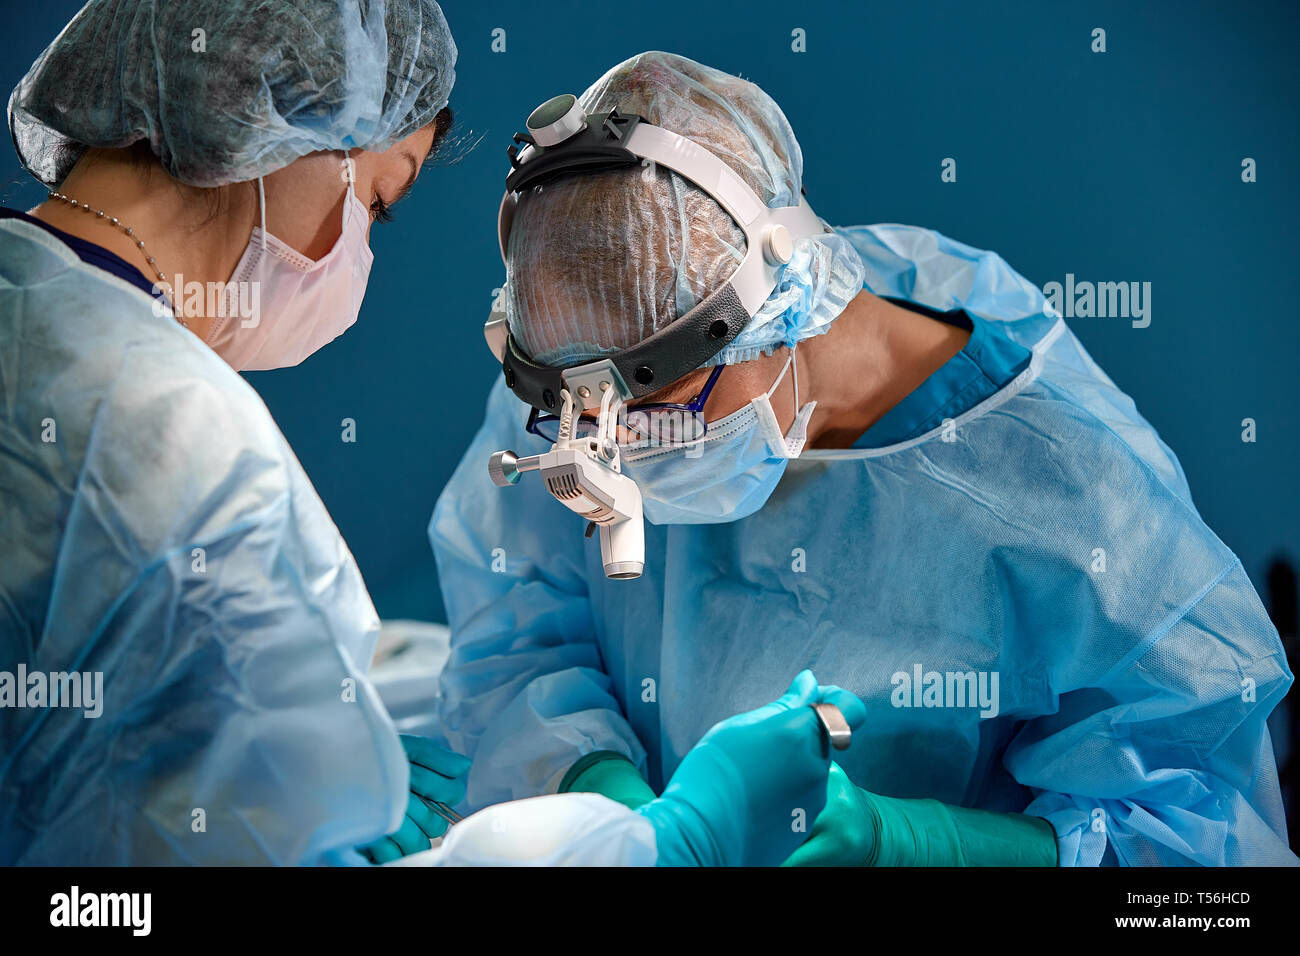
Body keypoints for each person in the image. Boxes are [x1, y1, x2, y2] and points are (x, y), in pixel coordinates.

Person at [0, 2, 844, 868]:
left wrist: (286, 764)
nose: (359, 246)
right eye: (377, 199)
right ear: (283, 132)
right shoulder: (178, 436)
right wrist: (665, 843)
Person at [432, 51, 1298, 866]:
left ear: (773, 316)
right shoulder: (596, 361)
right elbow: (519, 641)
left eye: (656, 416)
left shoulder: (1068, 494)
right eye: (577, 421)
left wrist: (916, 845)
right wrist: (634, 827)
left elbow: (1205, 864)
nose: (611, 455)